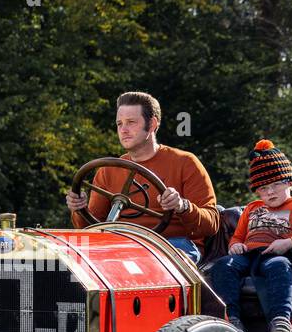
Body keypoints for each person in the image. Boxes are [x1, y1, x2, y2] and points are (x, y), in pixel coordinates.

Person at [65, 91, 218, 262]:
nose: (123, 130)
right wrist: (79, 209)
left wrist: (182, 206)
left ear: (152, 124)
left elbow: (211, 225)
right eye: (119, 124)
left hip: (173, 245)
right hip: (121, 244)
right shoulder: (108, 169)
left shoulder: (186, 162)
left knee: (146, 264)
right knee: (69, 262)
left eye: (131, 122)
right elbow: (92, 229)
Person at [206, 139, 292, 332]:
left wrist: (289, 242)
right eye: (263, 188)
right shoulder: (252, 208)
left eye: (276, 185)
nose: (270, 192)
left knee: (279, 267)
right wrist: (235, 245)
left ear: (290, 182)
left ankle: (280, 321)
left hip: (278, 254)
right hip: (248, 255)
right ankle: (231, 320)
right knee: (224, 265)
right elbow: (238, 236)